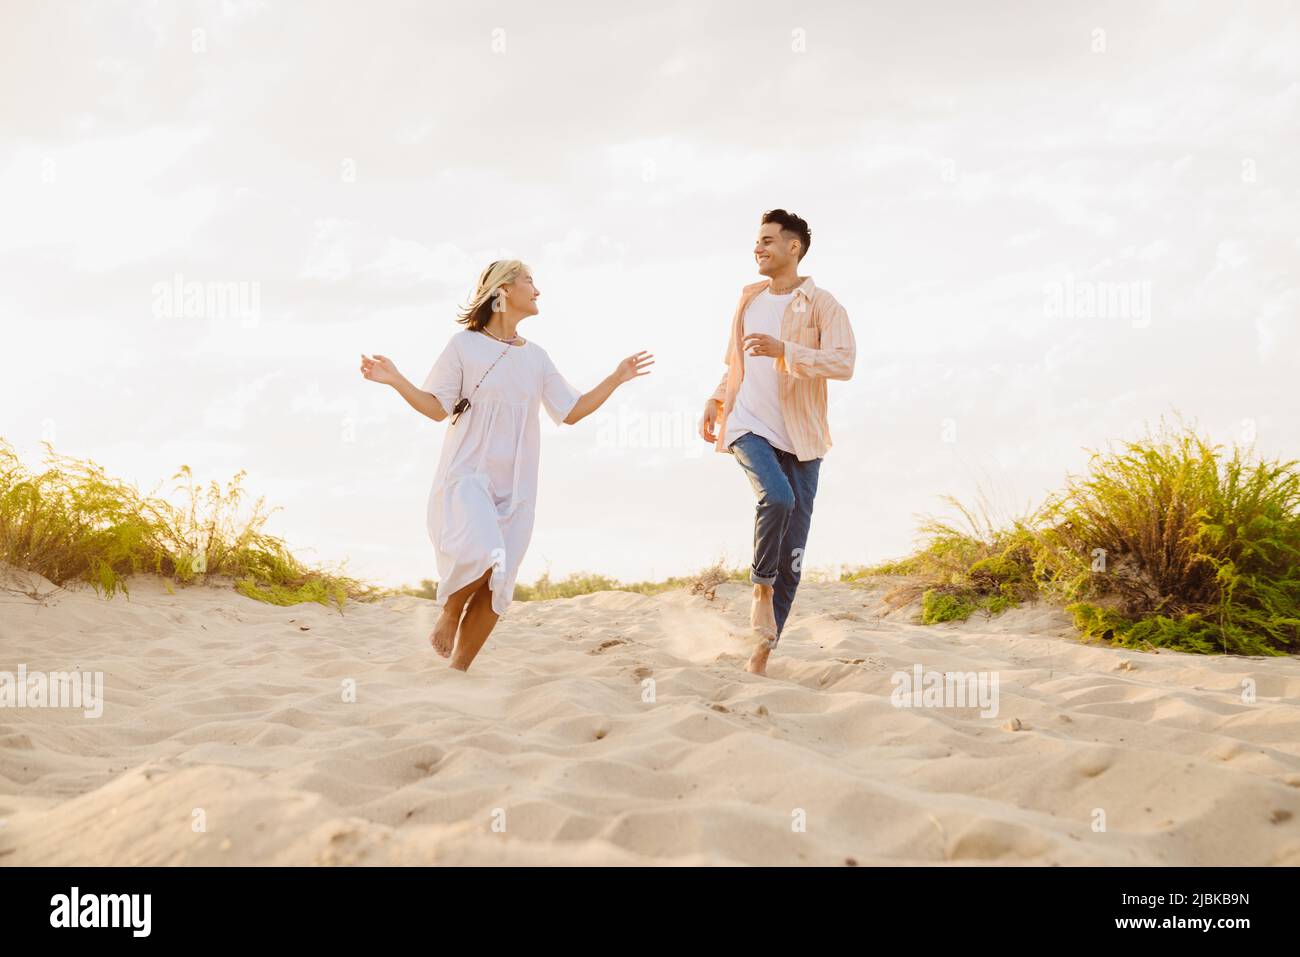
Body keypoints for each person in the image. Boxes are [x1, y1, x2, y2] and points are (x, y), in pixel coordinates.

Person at [361, 259, 653, 672]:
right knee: (482, 550)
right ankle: (449, 611)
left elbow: (571, 411)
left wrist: (616, 377)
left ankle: (456, 673)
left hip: (517, 485)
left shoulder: (536, 357)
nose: (538, 290)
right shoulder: (463, 346)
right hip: (468, 473)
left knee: (500, 581)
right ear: (502, 291)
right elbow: (436, 408)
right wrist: (396, 380)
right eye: (530, 281)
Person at [700, 210, 856, 676]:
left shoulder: (824, 304)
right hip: (747, 424)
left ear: (794, 247)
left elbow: (844, 363)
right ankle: (759, 589)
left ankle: (759, 658)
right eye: (756, 242)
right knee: (777, 497)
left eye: (768, 240)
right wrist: (714, 398)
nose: (758, 248)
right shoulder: (748, 301)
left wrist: (786, 350)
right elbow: (736, 364)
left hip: (803, 437)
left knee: (794, 555)